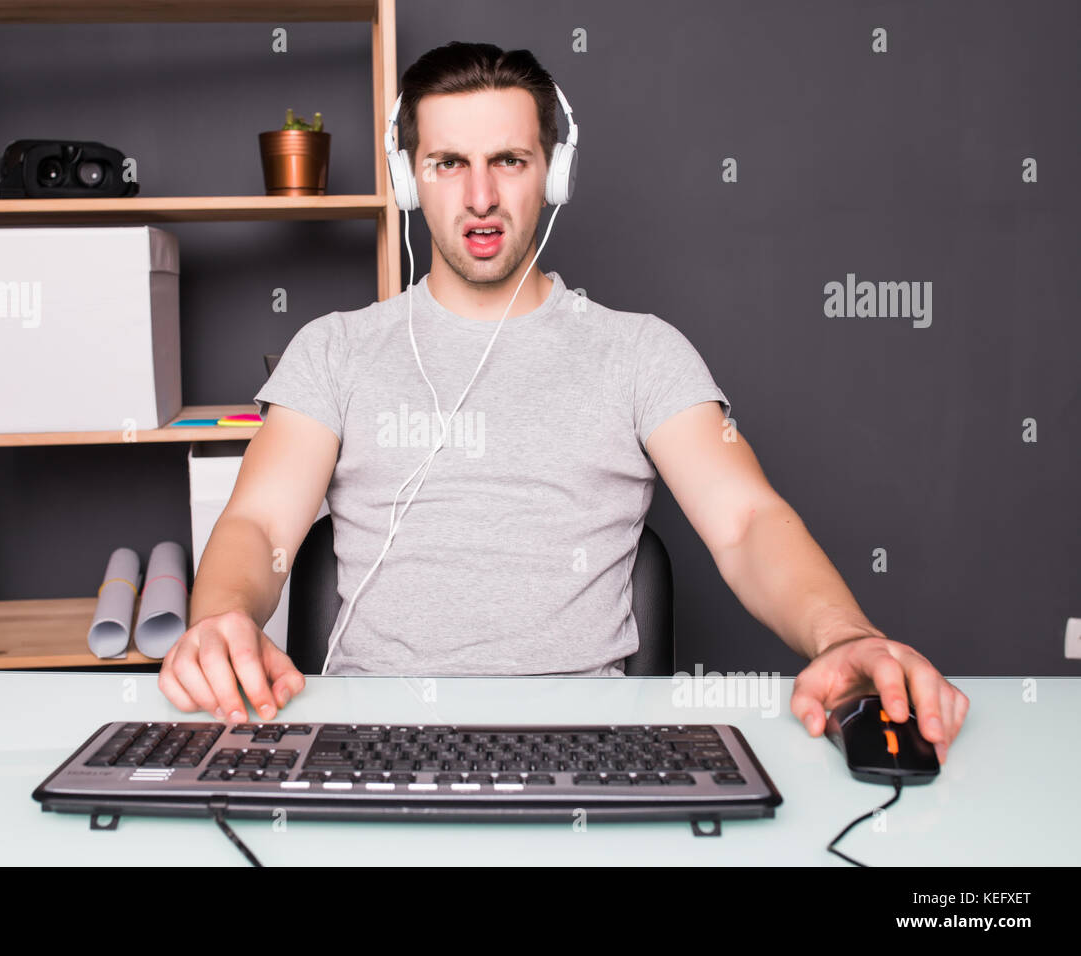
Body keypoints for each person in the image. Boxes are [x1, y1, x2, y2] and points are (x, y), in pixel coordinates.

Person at [159, 41, 968, 763]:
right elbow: (259, 525)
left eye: (509, 160)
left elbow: (748, 522)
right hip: (370, 740)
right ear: (409, 179)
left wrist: (846, 636)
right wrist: (221, 616)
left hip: (592, 749)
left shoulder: (640, 350)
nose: (480, 196)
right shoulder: (334, 349)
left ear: (555, 170)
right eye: (448, 163)